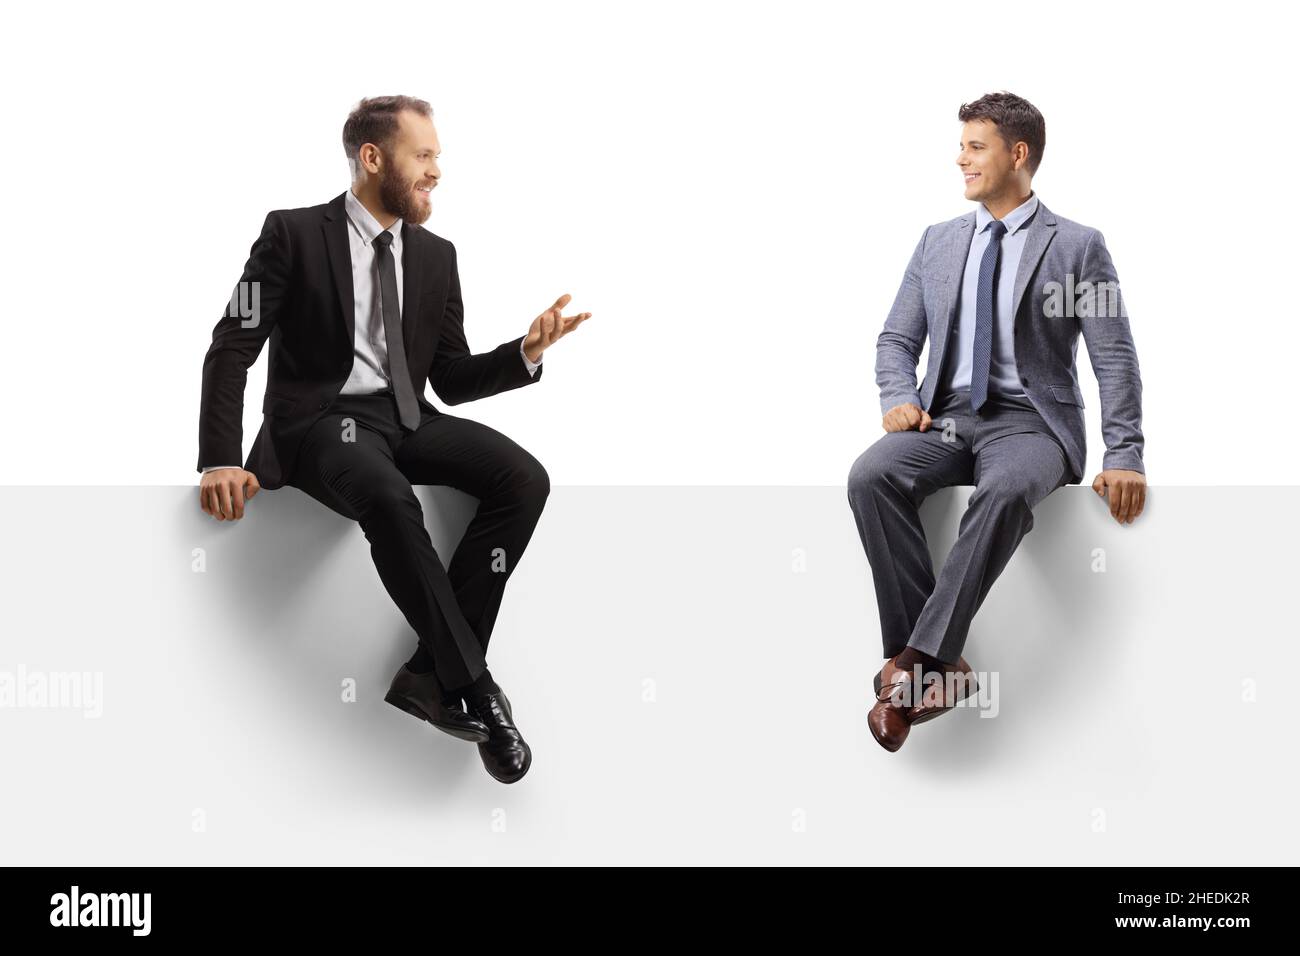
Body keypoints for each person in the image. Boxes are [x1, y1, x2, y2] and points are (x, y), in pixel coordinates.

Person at [196, 95, 591, 783]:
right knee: (385, 493)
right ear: (373, 158)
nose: (437, 171)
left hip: (406, 418)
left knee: (524, 478)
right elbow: (232, 344)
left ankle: (428, 673)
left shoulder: (436, 255)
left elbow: (450, 377)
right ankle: (478, 688)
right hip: (320, 424)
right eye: (424, 155)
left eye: (438, 156)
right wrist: (219, 459)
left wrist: (524, 353)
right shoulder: (290, 234)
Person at [845, 91, 1146, 752]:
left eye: (975, 147)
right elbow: (896, 339)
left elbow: (1113, 357)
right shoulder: (938, 242)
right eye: (961, 147)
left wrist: (1123, 454)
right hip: (946, 421)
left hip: (1030, 426)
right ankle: (939, 664)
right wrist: (898, 395)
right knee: (872, 475)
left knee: (1005, 490)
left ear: (1018, 154)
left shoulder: (1079, 247)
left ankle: (913, 666)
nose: (961, 160)